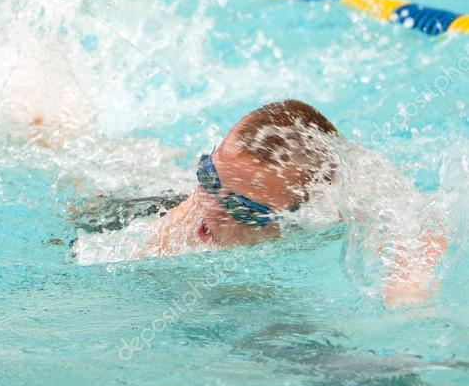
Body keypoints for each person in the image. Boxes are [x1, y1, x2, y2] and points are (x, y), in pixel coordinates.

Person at [141, 100, 445, 307]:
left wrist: (407, 289)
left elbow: (418, 230)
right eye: (208, 177)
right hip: (157, 193)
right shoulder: (192, 213)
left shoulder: (342, 210)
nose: (207, 214)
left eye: (241, 209)